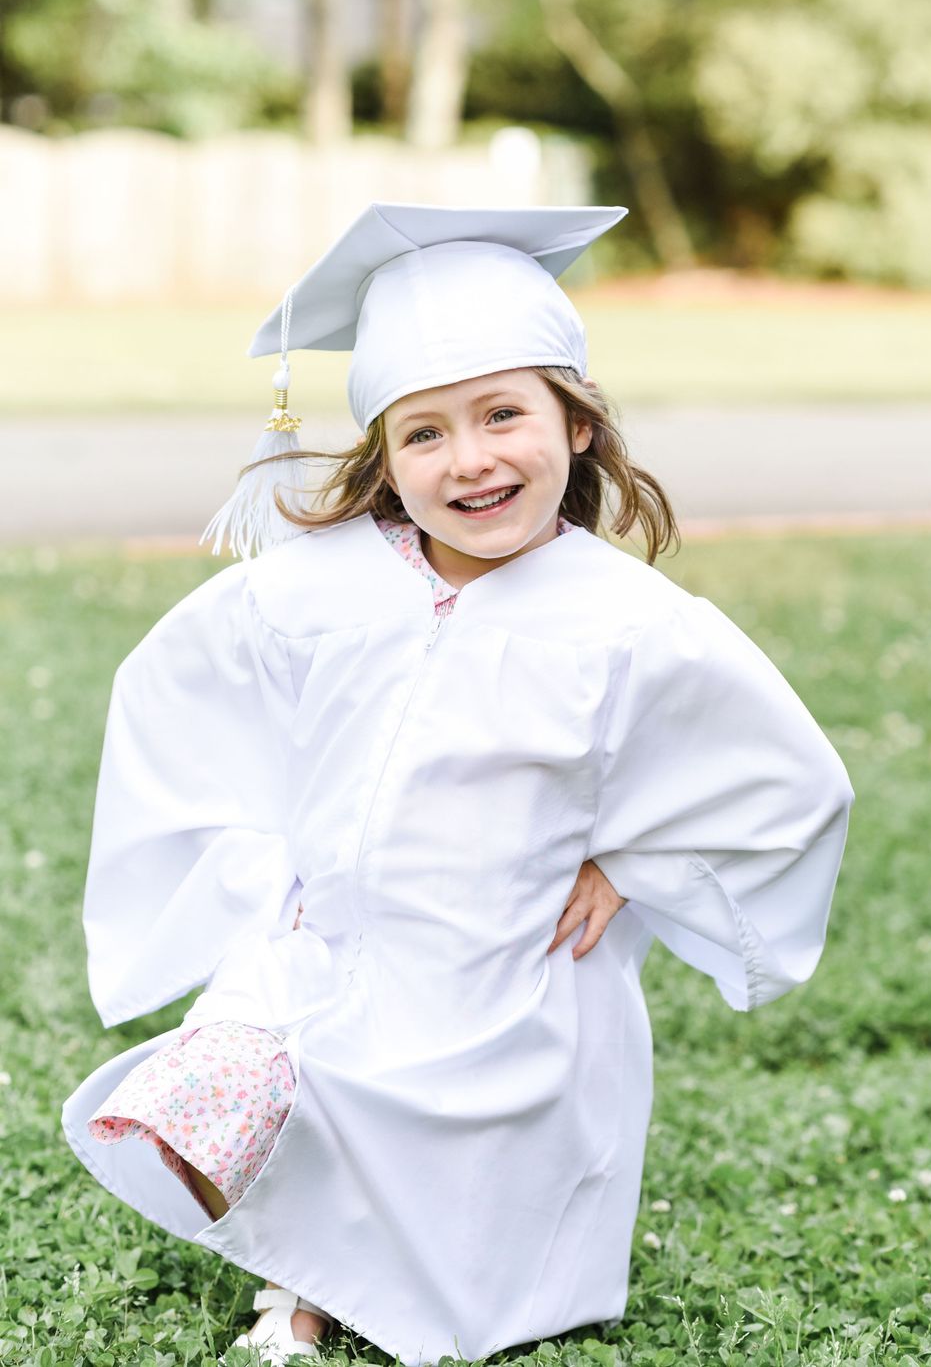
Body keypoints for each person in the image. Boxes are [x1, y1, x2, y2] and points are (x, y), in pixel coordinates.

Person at [61, 202, 856, 1367]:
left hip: (509, 973)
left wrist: (636, 862)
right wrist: (253, 867)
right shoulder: (306, 588)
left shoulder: (632, 622)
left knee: (469, 1193)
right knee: (237, 1096)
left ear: (576, 427)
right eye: (422, 432)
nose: (469, 458)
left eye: (502, 415)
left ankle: (385, 1273)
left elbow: (784, 783)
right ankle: (300, 1283)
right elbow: (175, 710)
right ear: (383, 455)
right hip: (323, 954)